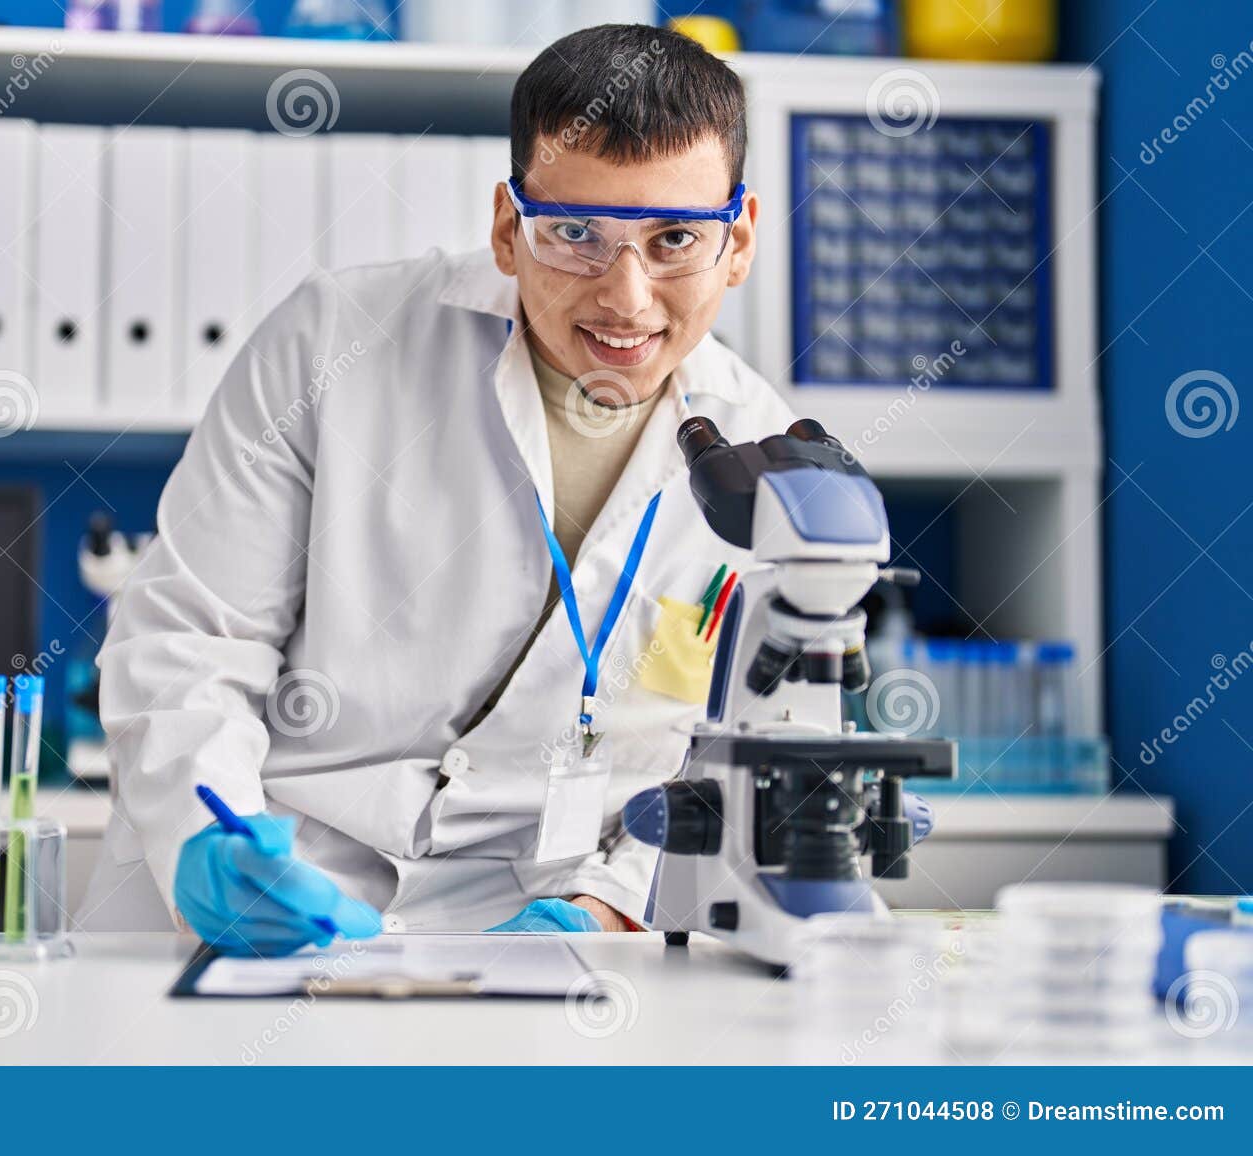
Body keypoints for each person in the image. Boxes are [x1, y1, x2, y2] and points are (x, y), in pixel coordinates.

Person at [78, 23, 800, 953]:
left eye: (675, 238)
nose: (626, 297)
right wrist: (210, 844)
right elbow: (190, 639)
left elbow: (734, 762)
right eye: (575, 233)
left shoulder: (772, 462)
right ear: (507, 228)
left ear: (738, 242)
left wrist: (608, 905)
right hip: (270, 895)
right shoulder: (335, 341)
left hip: (537, 937)